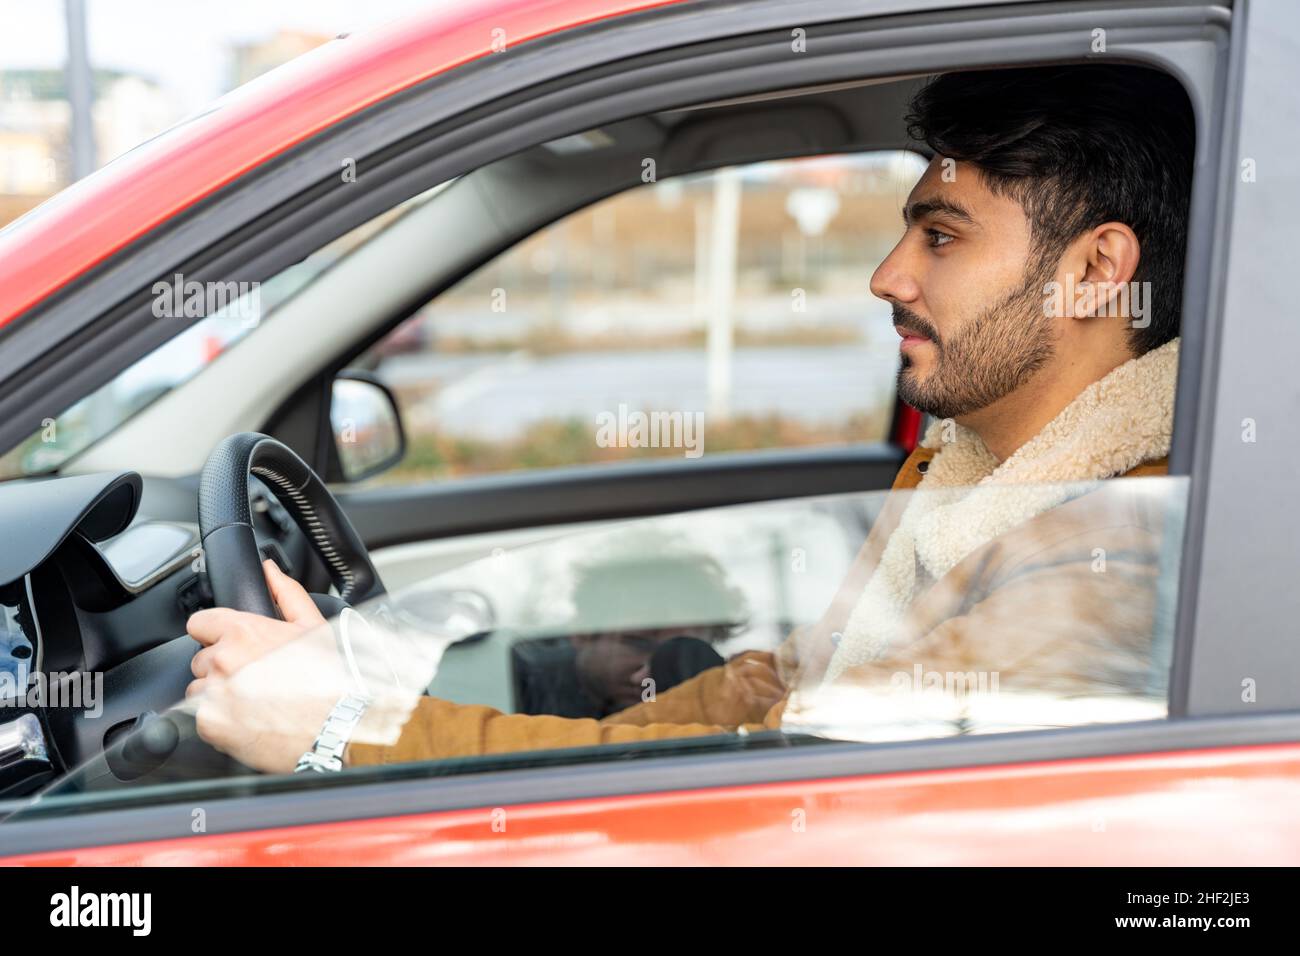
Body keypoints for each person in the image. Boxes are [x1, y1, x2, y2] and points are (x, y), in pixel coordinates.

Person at [184, 63, 1194, 771]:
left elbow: (785, 799)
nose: (886, 276)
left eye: (939, 237)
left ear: (1094, 271)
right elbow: (773, 697)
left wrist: (344, 729)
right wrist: (369, 707)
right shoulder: (966, 477)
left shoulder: (1102, 566)